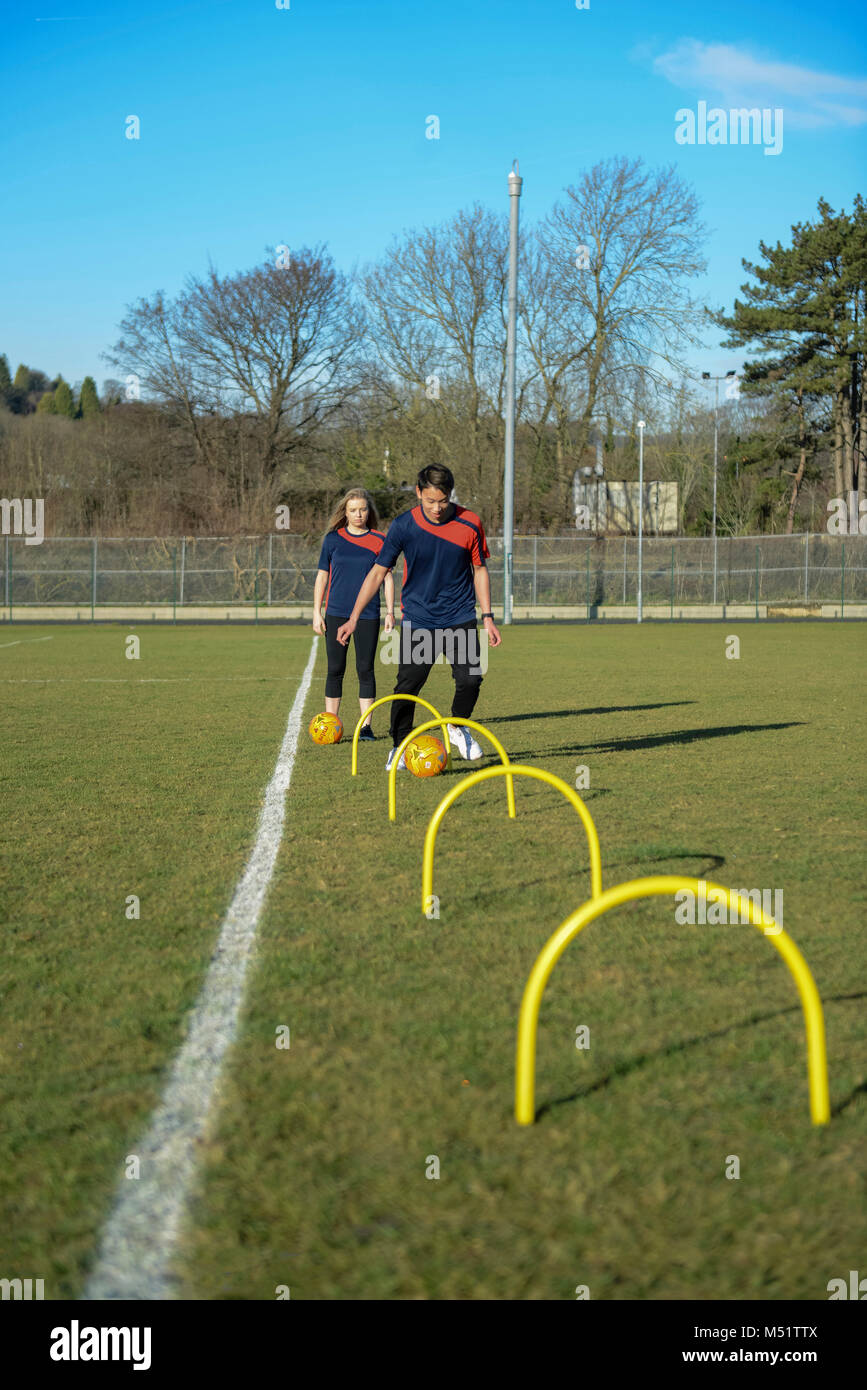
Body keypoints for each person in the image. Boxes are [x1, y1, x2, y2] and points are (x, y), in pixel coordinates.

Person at [336, 464, 502, 770]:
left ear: (451, 494)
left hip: (459, 613)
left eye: (443, 500)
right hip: (420, 617)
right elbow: (377, 573)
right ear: (418, 493)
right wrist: (354, 616)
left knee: (471, 679)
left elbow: (480, 570)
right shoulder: (403, 526)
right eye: (430, 501)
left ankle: (457, 727)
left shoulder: (471, 523)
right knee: (408, 685)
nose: (437, 508)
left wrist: (488, 616)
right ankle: (399, 746)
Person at [313, 489, 395, 740]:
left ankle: (366, 727)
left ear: (368, 511)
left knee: (365, 668)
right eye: (352, 510)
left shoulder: (380, 540)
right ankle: (331, 725)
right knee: (335, 668)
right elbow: (322, 576)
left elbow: (387, 578)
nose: (358, 514)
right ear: (345, 513)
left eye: (362, 509)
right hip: (336, 613)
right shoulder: (332, 540)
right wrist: (317, 612)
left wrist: (390, 611)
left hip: (368, 615)